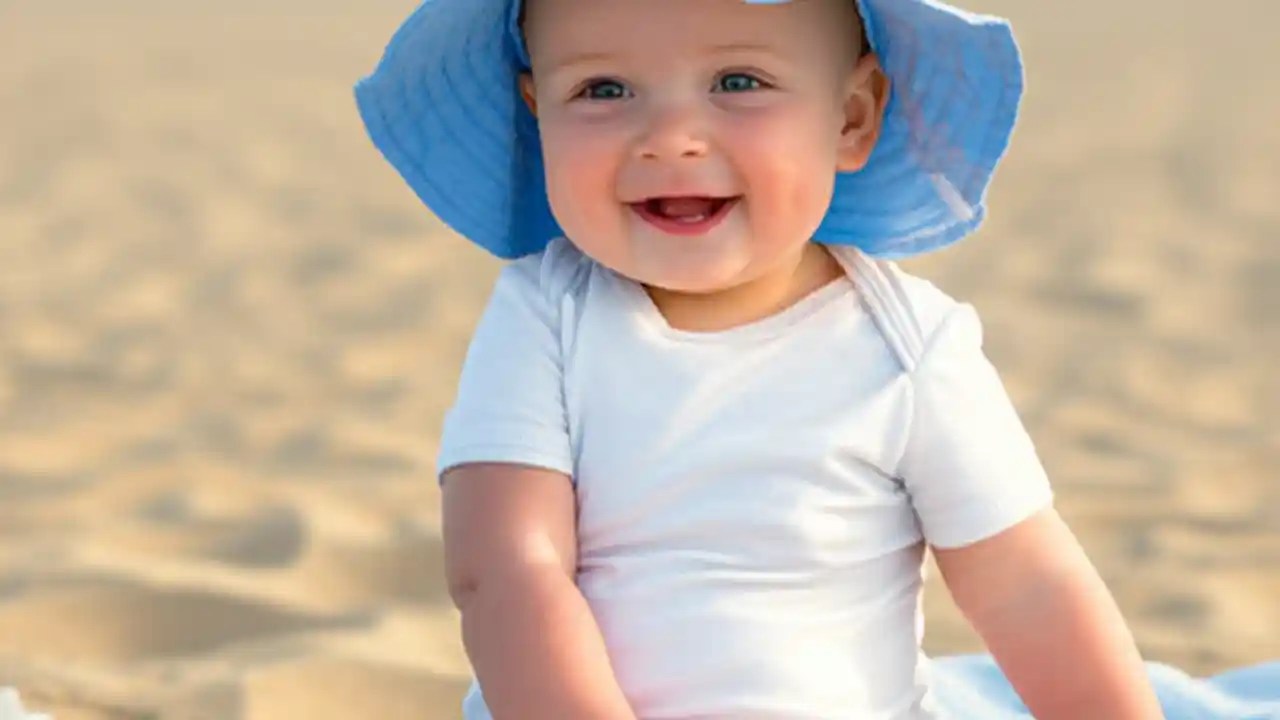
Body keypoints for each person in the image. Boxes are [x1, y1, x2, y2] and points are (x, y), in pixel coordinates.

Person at [355, 1, 1280, 718]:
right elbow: (506, 564)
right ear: (536, 113)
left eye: (738, 82)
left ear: (851, 118)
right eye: (603, 91)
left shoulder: (905, 346)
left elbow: (1029, 584)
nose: (671, 134)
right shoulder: (548, 315)